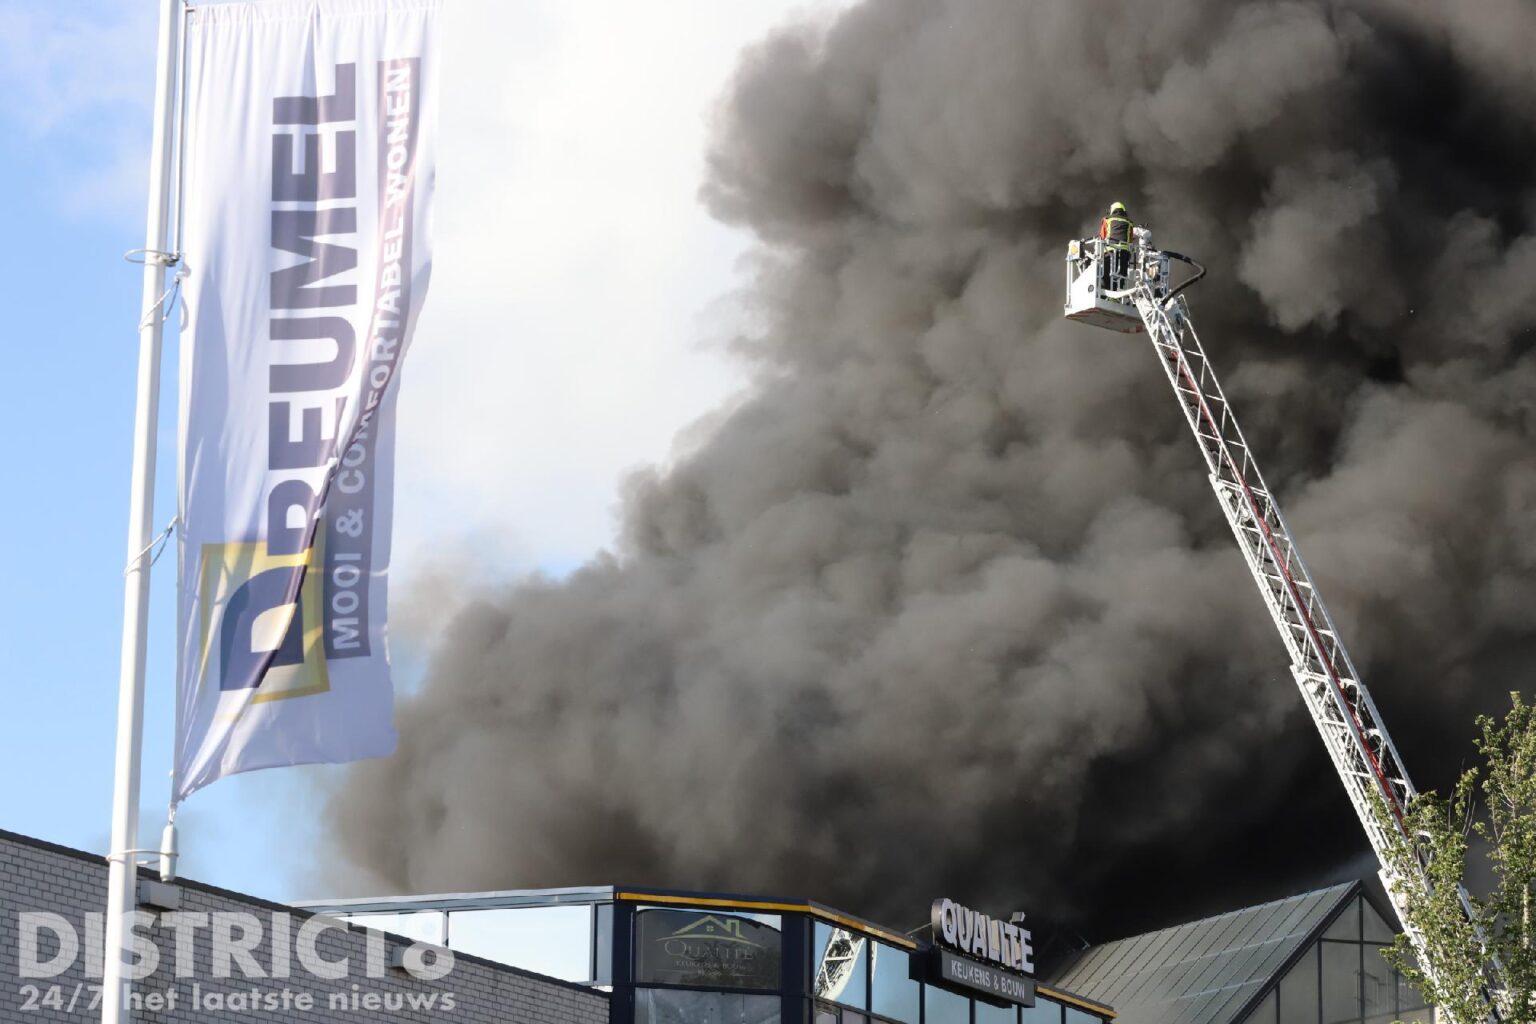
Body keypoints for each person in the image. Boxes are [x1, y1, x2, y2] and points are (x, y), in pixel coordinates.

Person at [1098, 201, 1135, 287]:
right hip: (1124, 254)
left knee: (1106, 276)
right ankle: (1118, 291)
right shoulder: (1129, 222)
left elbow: (1102, 236)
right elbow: (1130, 239)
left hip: (1109, 252)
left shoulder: (1107, 220)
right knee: (1121, 277)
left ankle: (1107, 291)